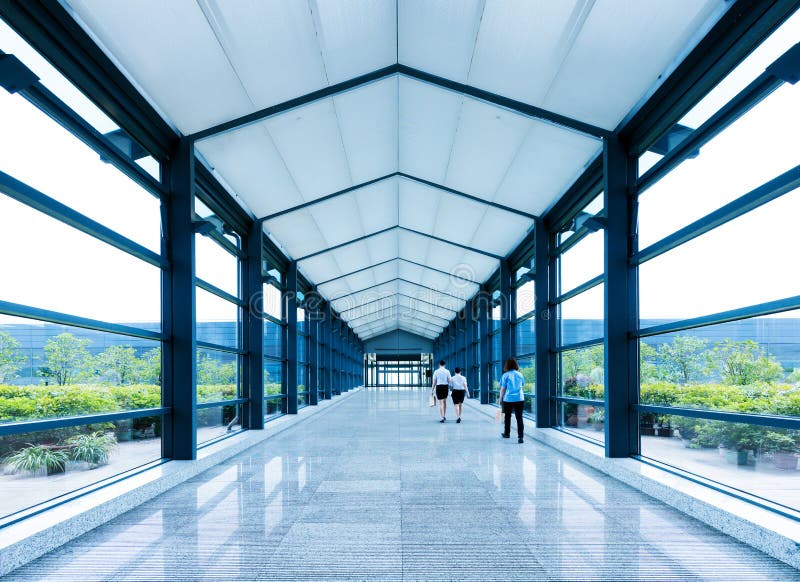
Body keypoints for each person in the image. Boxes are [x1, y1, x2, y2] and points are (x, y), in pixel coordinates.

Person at [499, 357, 526, 443]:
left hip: (508, 399)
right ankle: (520, 437)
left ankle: (507, 433)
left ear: (507, 365)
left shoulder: (505, 375)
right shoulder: (520, 374)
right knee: (519, 418)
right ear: (516, 365)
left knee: (507, 416)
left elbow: (503, 388)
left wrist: (500, 398)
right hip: (519, 398)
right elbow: (522, 384)